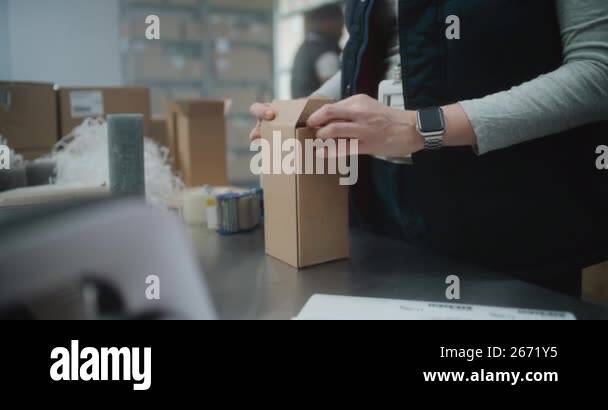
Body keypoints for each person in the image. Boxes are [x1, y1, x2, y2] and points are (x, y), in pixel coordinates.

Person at [251, 0, 608, 296]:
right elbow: (374, 54)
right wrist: (302, 110)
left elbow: (598, 73)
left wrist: (420, 126)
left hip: (510, 207)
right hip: (381, 197)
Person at [291, 4, 344, 99]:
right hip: (317, 110)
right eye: (340, 25)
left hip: (302, 109)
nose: (342, 31)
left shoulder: (305, 47)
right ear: (327, 23)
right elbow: (334, 92)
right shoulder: (325, 52)